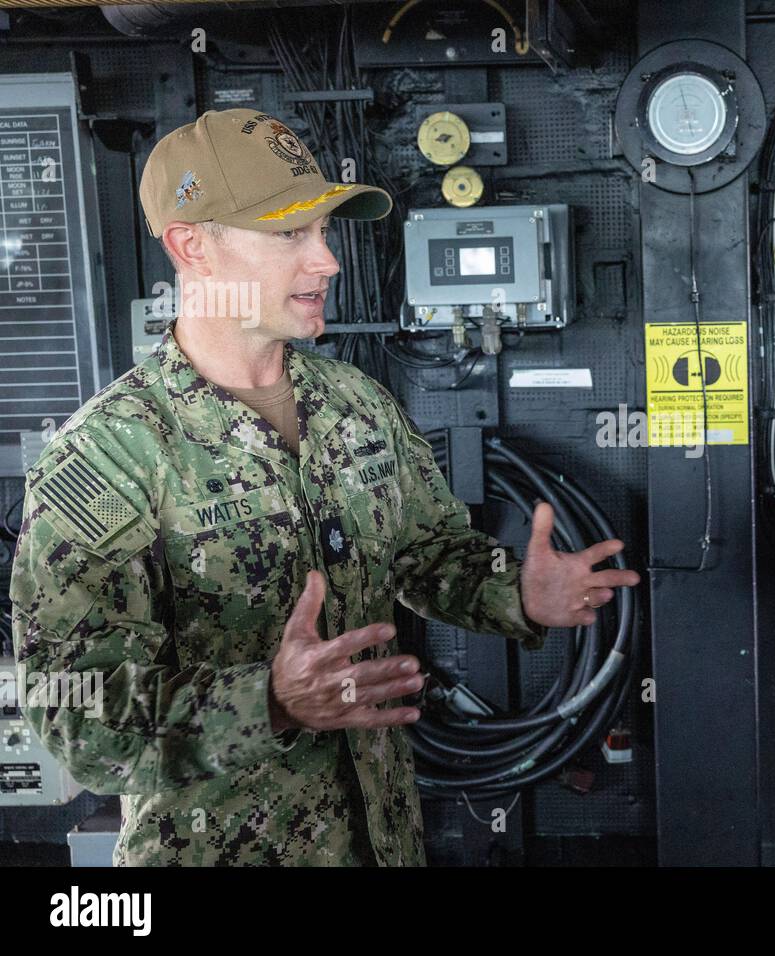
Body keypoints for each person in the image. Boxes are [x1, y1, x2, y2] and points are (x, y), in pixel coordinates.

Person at [9, 108, 639, 865]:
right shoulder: (109, 455)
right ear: (190, 244)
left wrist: (517, 594)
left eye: (324, 231)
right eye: (289, 234)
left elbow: (426, 556)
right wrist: (267, 702)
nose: (328, 260)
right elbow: (76, 719)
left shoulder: (355, 403)